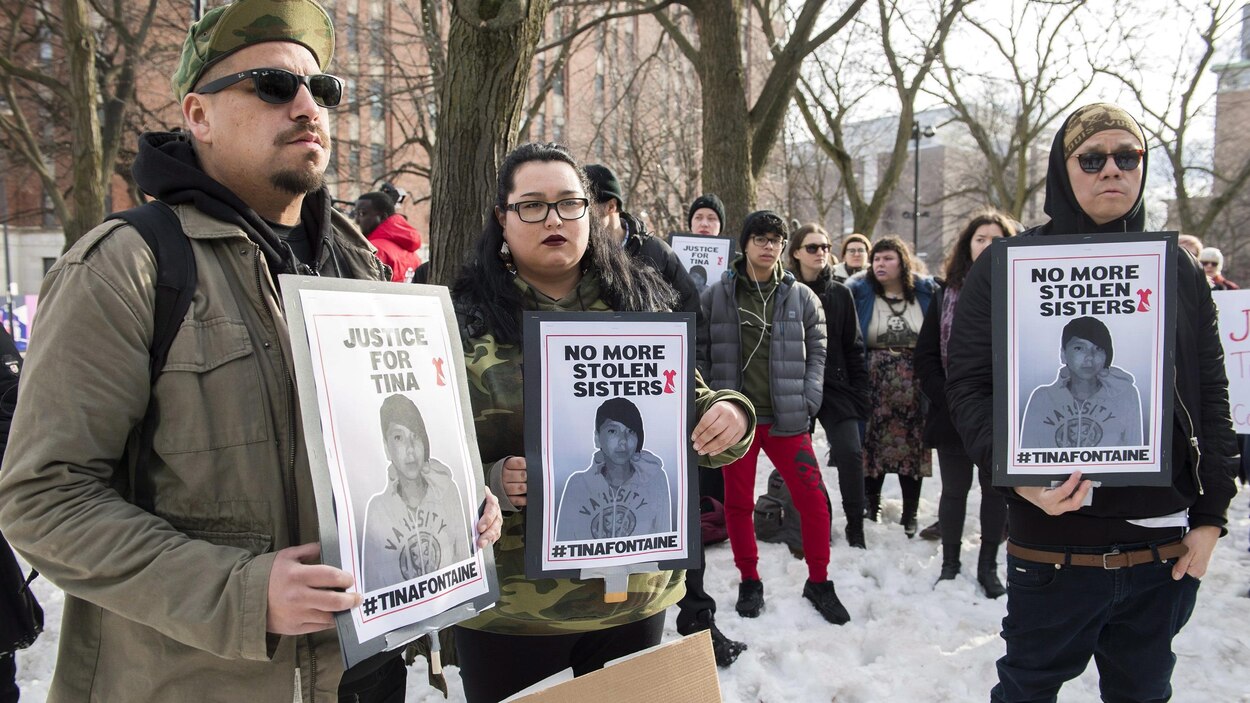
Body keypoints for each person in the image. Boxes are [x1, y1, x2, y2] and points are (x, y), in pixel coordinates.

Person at [0, 3, 504, 700]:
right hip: (195, 683)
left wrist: (461, 497)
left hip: (365, 672)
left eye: (321, 89)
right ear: (198, 115)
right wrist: (240, 592)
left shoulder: (357, 262)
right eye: (272, 85)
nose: (306, 105)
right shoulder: (126, 267)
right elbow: (44, 498)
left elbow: (382, 446)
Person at [946, 102, 1239, 702]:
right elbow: (968, 387)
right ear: (1064, 168)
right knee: (1026, 692)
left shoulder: (1179, 270)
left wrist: (1212, 518)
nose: (1112, 169)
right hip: (1051, 545)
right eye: (1092, 158)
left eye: (1128, 157)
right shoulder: (1005, 266)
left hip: (1162, 547)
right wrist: (1017, 476)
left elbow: (1212, 396)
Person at [449, 142, 755, 702]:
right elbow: (424, 456)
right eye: (532, 206)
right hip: (513, 611)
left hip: (632, 599)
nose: (554, 220)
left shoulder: (638, 302)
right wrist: (491, 480)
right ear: (502, 218)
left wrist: (730, 414)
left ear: (591, 212)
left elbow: (692, 406)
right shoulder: (459, 320)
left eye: (569, 204)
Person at [583, 164, 741, 663]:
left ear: (610, 207)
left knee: (678, 513)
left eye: (584, 206)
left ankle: (699, 620)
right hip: (596, 406)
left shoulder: (656, 255)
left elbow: (692, 324)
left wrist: (684, 384)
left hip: (660, 401)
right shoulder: (575, 255)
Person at [702, 211, 851, 626]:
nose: (768, 246)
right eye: (760, 238)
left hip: (788, 418)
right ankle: (749, 579)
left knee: (813, 501)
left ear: (784, 247)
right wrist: (711, 401)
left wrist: (808, 398)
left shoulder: (801, 297)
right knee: (737, 504)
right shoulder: (717, 296)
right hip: (737, 423)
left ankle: (819, 580)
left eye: (775, 239)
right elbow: (700, 350)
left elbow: (819, 350)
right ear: (745, 243)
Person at [914, 209, 1014, 595]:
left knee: (995, 492)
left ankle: (988, 567)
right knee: (954, 491)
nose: (987, 246)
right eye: (980, 239)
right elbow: (925, 356)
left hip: (999, 412)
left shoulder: (1019, 290)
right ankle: (950, 563)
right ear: (967, 246)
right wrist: (949, 396)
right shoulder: (946, 295)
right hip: (953, 410)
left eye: (996, 239)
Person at [786, 223, 871, 549]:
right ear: (796, 252)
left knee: (850, 453)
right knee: (799, 461)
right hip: (794, 385)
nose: (820, 252)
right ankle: (817, 517)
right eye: (812, 247)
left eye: (825, 247)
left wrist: (861, 392)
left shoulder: (841, 293)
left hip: (837, 384)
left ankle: (855, 525)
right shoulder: (784, 291)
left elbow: (854, 346)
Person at [847, 236, 937, 537]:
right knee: (872, 444)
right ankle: (871, 504)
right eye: (876, 259)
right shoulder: (861, 292)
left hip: (915, 382)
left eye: (888, 258)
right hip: (874, 380)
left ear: (903, 262)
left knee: (912, 446)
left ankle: (910, 512)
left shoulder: (925, 292)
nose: (880, 264)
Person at [361, 394, 472, 592]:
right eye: (398, 438)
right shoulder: (378, 511)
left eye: (416, 436)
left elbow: (467, 568)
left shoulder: (448, 492)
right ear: (386, 448)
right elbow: (372, 586)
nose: (410, 449)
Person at [555, 397, 672, 541]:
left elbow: (665, 540)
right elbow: (563, 544)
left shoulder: (655, 480)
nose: (623, 441)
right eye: (612, 431)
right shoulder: (578, 485)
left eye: (630, 431)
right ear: (597, 438)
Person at [1019, 317, 1144, 449]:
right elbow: (1028, 453)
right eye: (1079, 348)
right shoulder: (1042, 399)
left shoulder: (1125, 395)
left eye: (1098, 348)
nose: (1089, 357)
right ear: (1063, 354)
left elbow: (1135, 453)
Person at [354, 190, 424, 283]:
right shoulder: (413, 254)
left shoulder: (373, 249)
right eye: (356, 214)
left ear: (382, 217)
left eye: (362, 213)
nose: (357, 220)